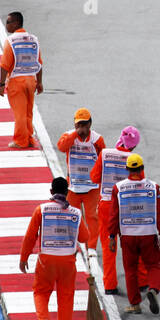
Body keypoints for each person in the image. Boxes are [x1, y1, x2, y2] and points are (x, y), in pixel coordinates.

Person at [19, 176, 84, 320]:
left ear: (51, 192)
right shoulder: (75, 212)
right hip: (68, 261)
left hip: (46, 260)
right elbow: (85, 237)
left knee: (40, 292)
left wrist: (24, 257)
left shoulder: (41, 209)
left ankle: (43, 319)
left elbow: (30, 236)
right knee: (66, 298)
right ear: (67, 193)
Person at [106, 153, 160, 315]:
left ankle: (135, 304)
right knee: (153, 265)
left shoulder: (118, 188)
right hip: (148, 234)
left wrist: (111, 236)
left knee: (130, 270)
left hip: (127, 236)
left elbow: (114, 215)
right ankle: (153, 289)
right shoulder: (153, 187)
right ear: (142, 169)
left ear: (127, 169)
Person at [89, 125, 140, 295]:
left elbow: (94, 178)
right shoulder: (134, 158)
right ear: (134, 144)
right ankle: (142, 282)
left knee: (108, 245)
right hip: (127, 207)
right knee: (133, 245)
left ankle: (110, 285)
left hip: (106, 205)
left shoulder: (104, 154)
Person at [56, 108, 104, 252]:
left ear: (90, 124)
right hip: (73, 186)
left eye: (84, 124)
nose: (81, 128)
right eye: (79, 125)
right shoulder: (68, 135)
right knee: (72, 216)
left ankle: (92, 248)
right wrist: (75, 134)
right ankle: (73, 245)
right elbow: (61, 147)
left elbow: (103, 159)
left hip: (92, 187)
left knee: (92, 217)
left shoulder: (97, 139)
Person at [0, 11, 42, 149]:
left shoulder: (11, 41)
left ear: (16, 23)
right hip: (31, 81)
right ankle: (29, 137)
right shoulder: (33, 39)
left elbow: (4, 65)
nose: (6, 25)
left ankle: (20, 140)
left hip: (17, 81)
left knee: (19, 113)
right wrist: (39, 82)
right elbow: (39, 63)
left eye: (8, 22)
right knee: (28, 112)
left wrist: (1, 84)